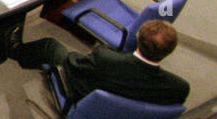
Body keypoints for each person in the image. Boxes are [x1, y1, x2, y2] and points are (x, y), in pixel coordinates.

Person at [10, 19, 189, 107]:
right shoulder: (179, 87)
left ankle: (15, 50)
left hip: (84, 96)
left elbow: (74, 64)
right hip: (122, 118)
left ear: (138, 39)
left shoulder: (106, 58)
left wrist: (92, 55)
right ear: (169, 51)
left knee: (50, 46)